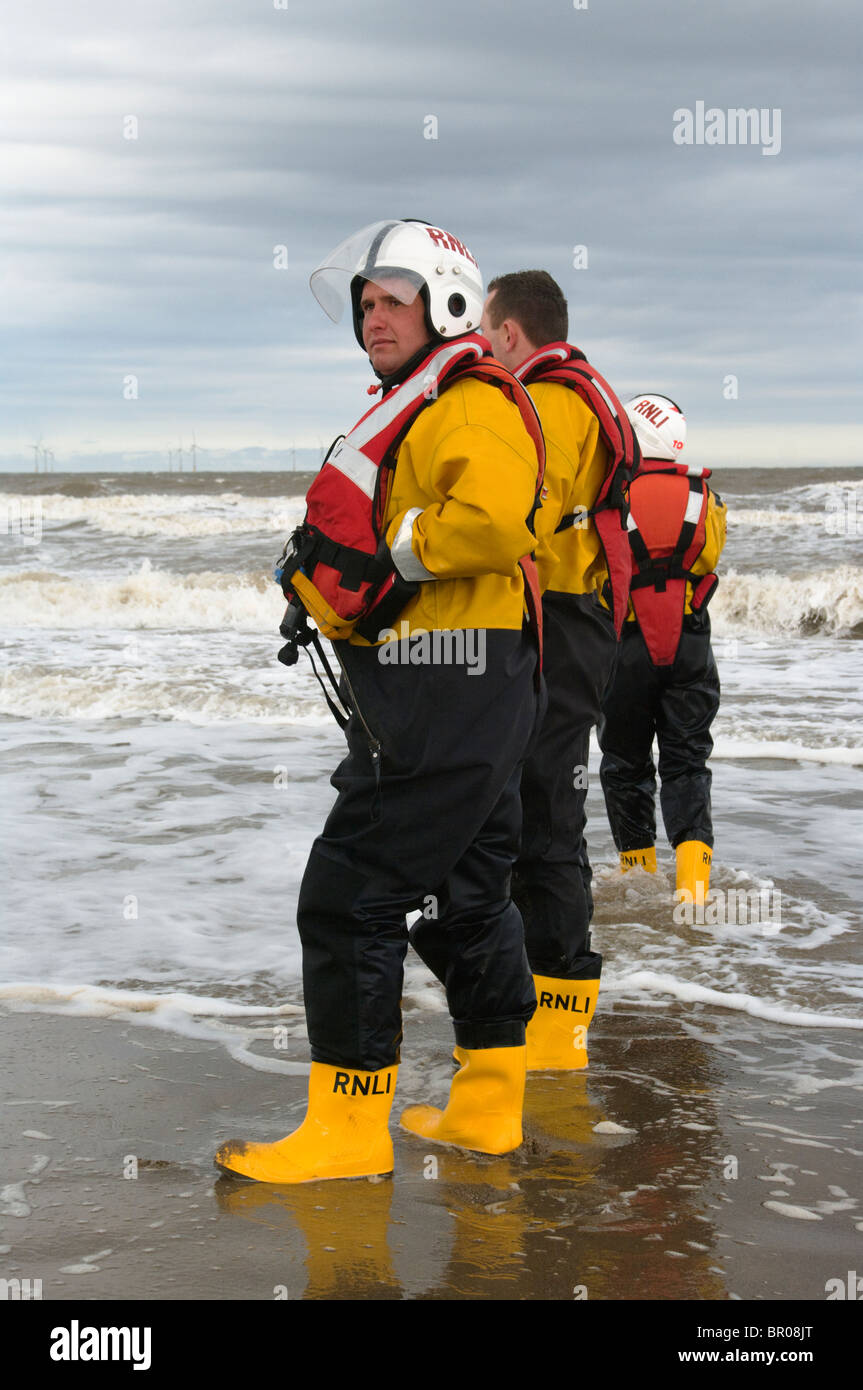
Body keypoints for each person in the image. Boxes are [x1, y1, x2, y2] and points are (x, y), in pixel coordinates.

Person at [215, 220, 546, 1182]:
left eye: (392, 296)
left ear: (446, 300)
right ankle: (489, 1108)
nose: (373, 315)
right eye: (364, 301)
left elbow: (489, 522)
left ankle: (349, 1132)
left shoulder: (468, 400)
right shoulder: (429, 401)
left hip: (449, 683)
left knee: (351, 892)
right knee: (470, 901)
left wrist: (382, 558)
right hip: (468, 682)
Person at [478, 270, 636, 1070]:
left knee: (543, 812)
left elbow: (517, 517)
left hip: (562, 617)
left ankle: (558, 1020)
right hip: (581, 618)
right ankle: (551, 1011)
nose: (479, 347)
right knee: (543, 807)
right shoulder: (584, 391)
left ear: (509, 335)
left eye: (483, 332)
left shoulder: (548, 402)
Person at [597, 394, 727, 902]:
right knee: (688, 760)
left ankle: (637, 876)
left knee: (625, 762)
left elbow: (595, 567)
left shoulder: (612, 493)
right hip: (691, 644)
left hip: (625, 650)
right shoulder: (704, 496)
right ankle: (693, 888)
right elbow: (710, 555)